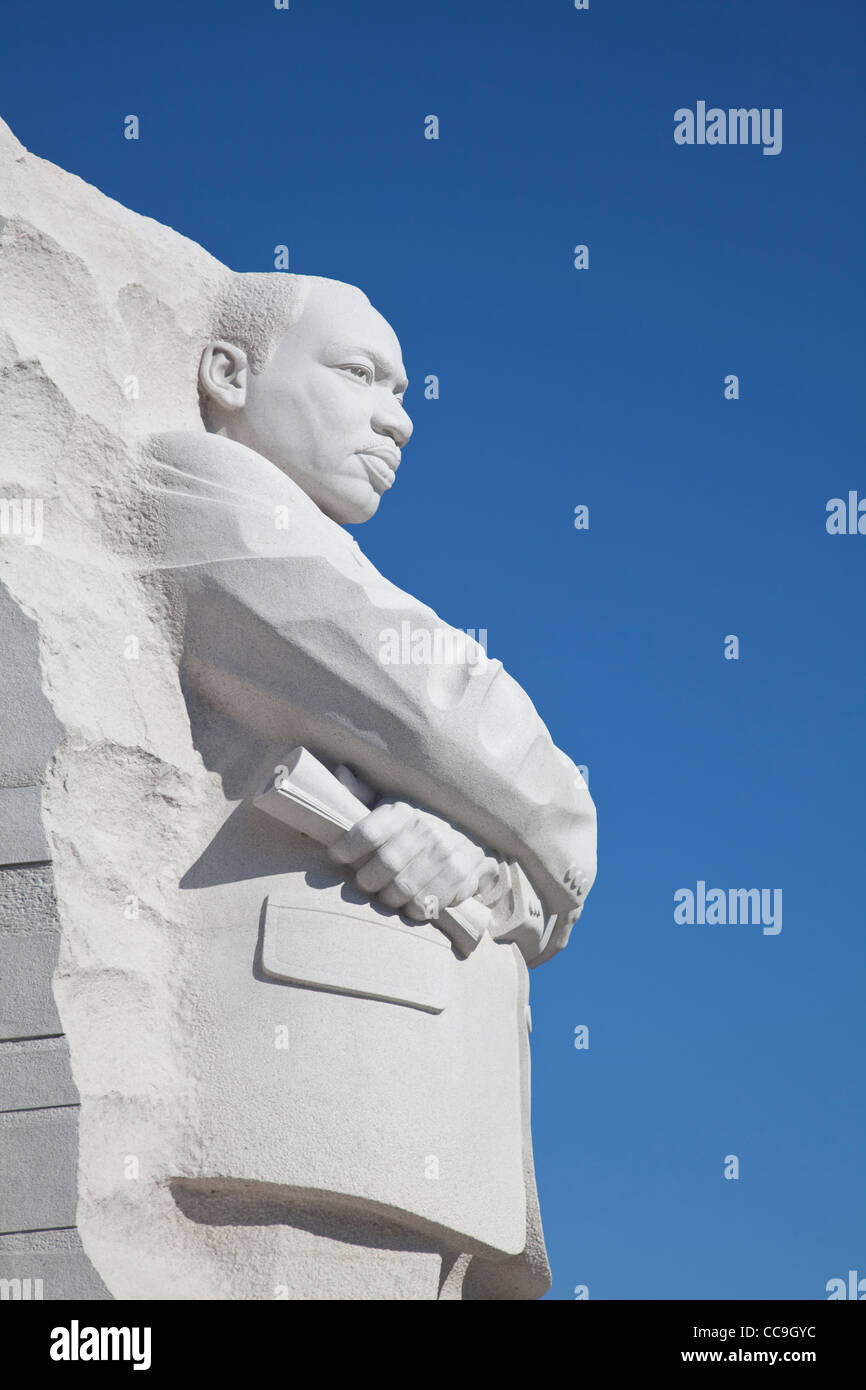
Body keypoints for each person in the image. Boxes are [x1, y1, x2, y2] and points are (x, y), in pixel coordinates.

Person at [143, 271, 596, 1299]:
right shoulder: (200, 489)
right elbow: (445, 715)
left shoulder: (322, 549)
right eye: (360, 376)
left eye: (404, 391)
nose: (396, 420)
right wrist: (555, 820)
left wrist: (486, 864)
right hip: (305, 1112)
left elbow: (504, 845)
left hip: (406, 1125)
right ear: (227, 372)